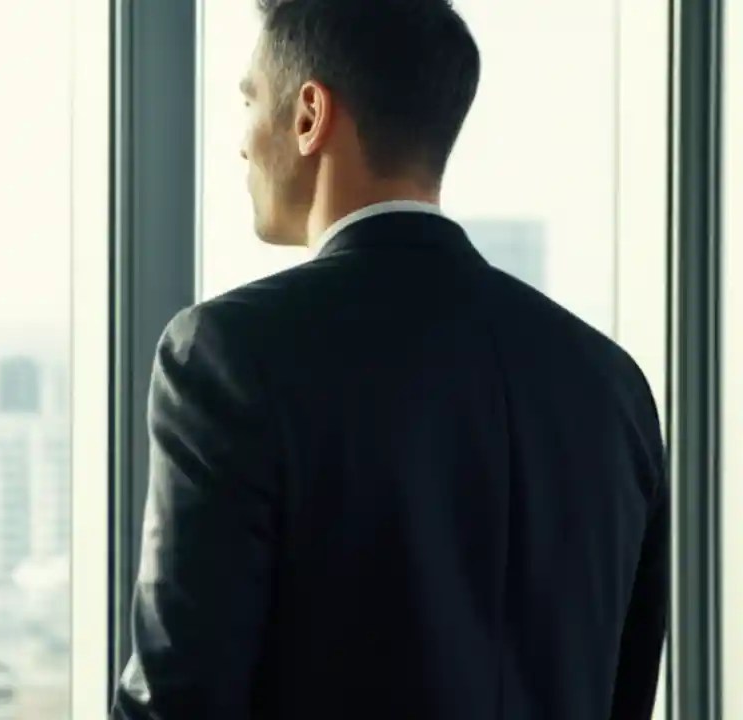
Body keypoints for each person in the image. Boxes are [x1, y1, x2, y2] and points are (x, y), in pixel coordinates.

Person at [111, 1, 668, 718]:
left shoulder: (227, 356)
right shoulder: (611, 385)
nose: (242, 144)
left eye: (249, 100)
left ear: (309, 114)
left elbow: (180, 701)